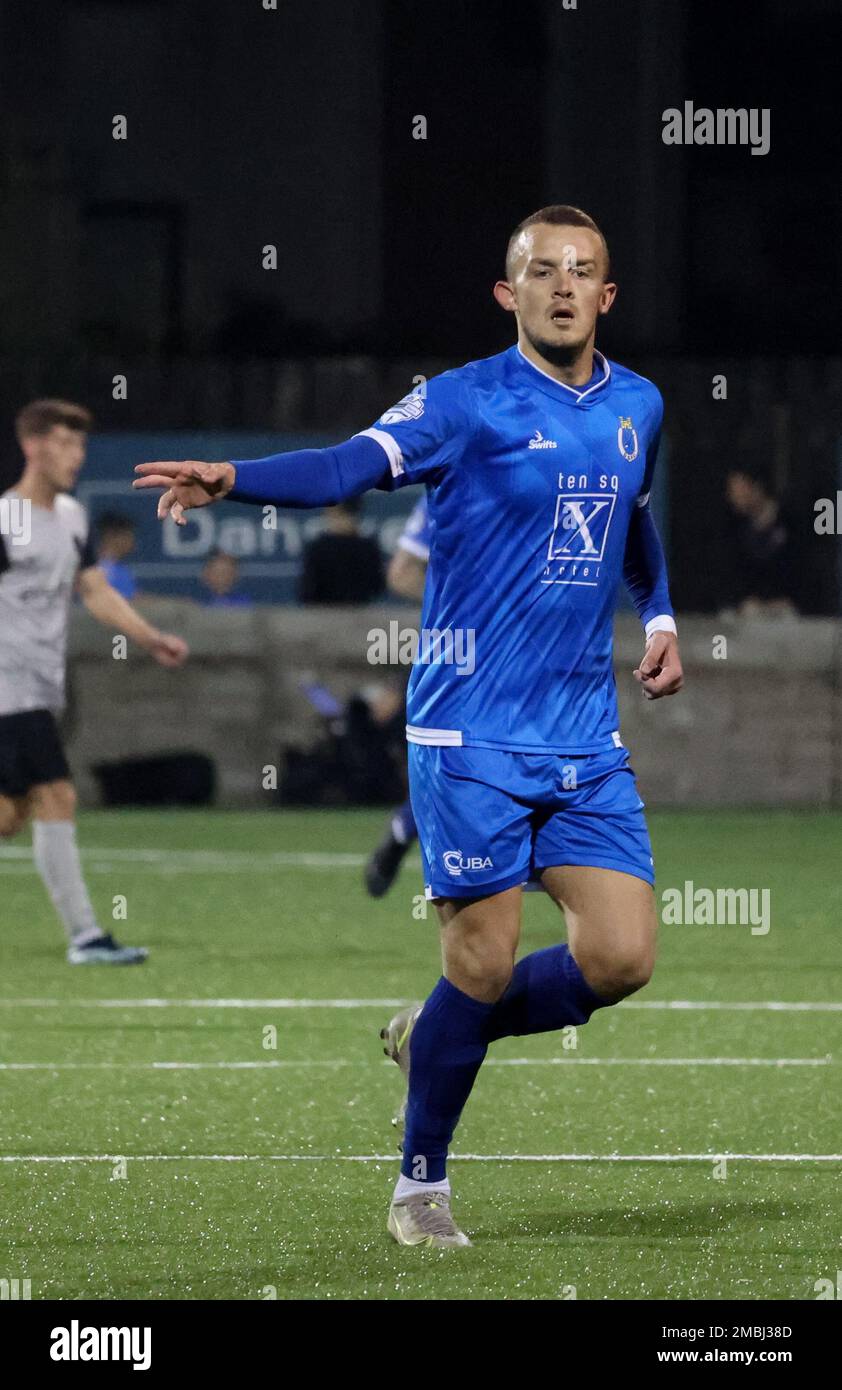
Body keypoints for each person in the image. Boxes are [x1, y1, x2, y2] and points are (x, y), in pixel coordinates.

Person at [134, 204, 683, 1247]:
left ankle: (427, 1033)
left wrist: (655, 612)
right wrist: (232, 479)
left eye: (581, 272)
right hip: (466, 731)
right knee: (480, 962)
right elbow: (348, 466)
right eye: (540, 271)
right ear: (506, 292)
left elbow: (631, 516)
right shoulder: (461, 402)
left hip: (581, 736)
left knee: (619, 958)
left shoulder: (640, 406)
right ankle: (417, 1185)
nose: (562, 286)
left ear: (606, 295)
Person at [0, 399, 188, 963]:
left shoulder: (72, 518)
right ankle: (86, 937)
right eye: (64, 443)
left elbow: (94, 590)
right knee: (58, 793)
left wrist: (148, 635)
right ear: (33, 446)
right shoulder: (6, 518)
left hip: (39, 687)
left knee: (9, 816)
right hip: (7, 687)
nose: (76, 456)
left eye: (81, 445)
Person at [364, 496, 430, 896]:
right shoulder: (455, 483)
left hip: (549, 650)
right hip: (476, 652)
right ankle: (405, 825)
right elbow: (403, 573)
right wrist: (471, 605)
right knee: (459, 763)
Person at [722, 468, 799, 616]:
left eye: (738, 489)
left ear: (757, 488)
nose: (733, 497)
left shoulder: (790, 524)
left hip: (786, 612)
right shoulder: (733, 529)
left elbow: (801, 573)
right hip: (747, 613)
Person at [298, 499, 385, 604]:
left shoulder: (319, 548)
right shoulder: (369, 547)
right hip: (360, 616)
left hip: (325, 617)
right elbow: (377, 586)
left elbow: (307, 591)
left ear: (333, 509)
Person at [95, 512, 139, 599]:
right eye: (127, 535)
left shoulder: (121, 570)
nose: (132, 540)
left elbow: (134, 597)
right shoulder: (99, 570)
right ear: (111, 536)